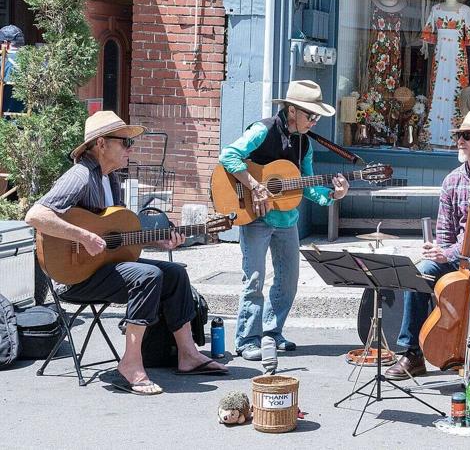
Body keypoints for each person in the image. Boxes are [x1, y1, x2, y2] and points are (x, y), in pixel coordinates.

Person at [25, 111, 227, 395]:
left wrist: (160, 241)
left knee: (175, 274)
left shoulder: (111, 180)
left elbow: (117, 240)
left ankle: (188, 355)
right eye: (125, 142)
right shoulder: (81, 175)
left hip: (102, 268)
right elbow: (35, 214)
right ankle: (130, 364)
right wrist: (82, 235)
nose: (131, 149)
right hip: (75, 275)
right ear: (101, 144)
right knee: (147, 276)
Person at [218, 80, 349, 370]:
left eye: (316, 116)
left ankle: (271, 333)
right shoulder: (262, 130)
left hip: (287, 220)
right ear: (292, 110)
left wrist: (333, 195)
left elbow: (309, 186)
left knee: (288, 280)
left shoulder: (305, 143)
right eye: (310, 115)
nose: (314, 121)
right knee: (253, 279)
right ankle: (246, 340)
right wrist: (254, 186)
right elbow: (228, 155)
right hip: (255, 216)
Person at [384, 111, 470, 381]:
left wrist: (449, 252)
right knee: (420, 272)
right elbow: (446, 232)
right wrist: (440, 253)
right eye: (459, 135)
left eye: (467, 136)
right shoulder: (451, 180)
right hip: (460, 252)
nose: (460, 140)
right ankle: (412, 353)